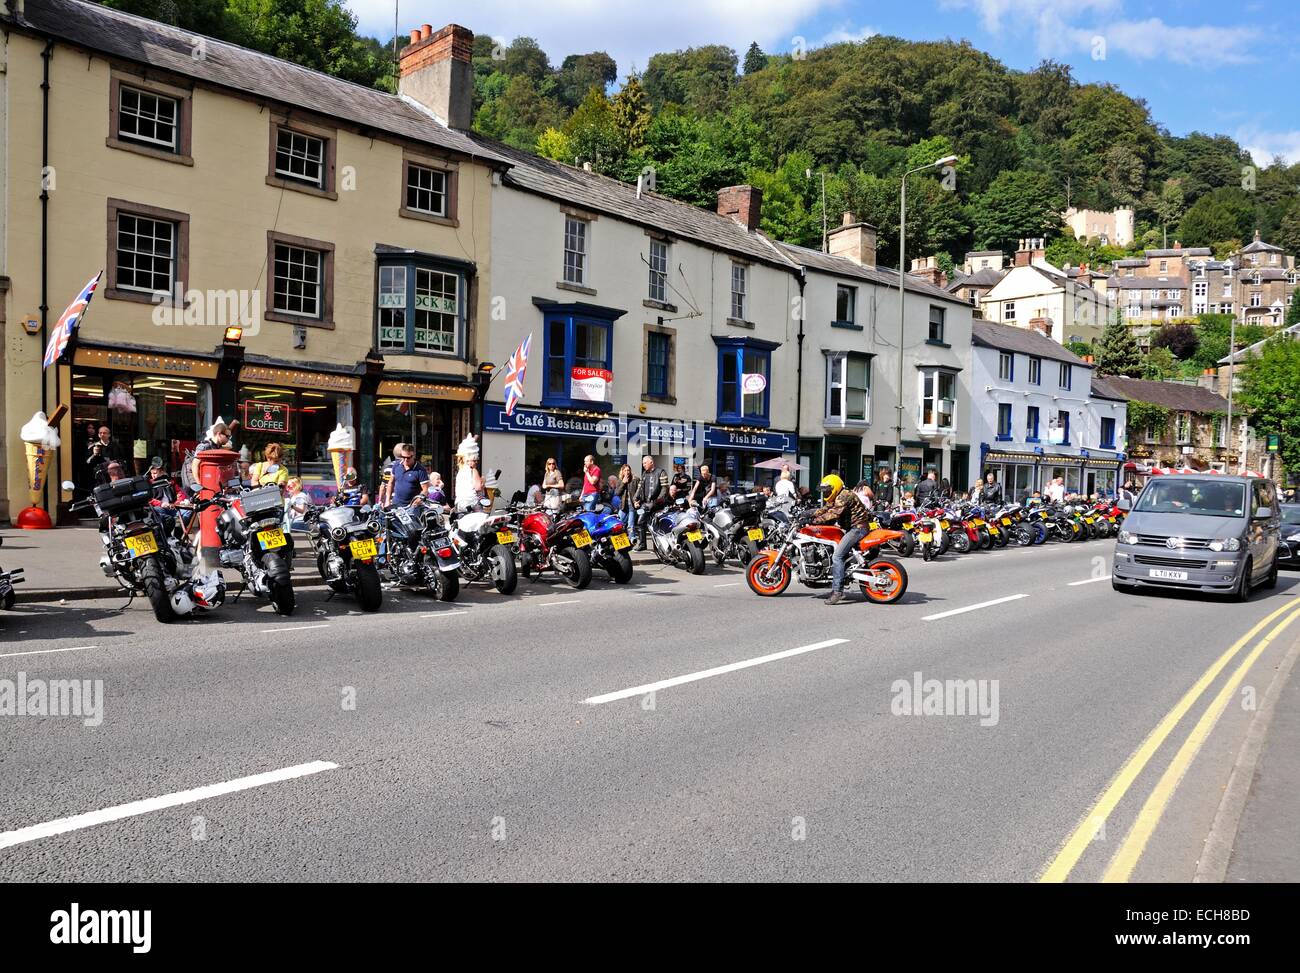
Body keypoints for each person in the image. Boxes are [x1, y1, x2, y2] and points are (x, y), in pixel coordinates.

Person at [811, 474, 873, 606]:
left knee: (837, 556)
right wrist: (810, 514)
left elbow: (834, 513)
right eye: (825, 491)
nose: (826, 493)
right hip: (852, 528)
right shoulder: (837, 495)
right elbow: (827, 507)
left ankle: (837, 591)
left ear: (835, 487)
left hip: (858, 528)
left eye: (828, 490)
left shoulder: (844, 496)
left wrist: (814, 521)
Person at [633, 455, 664, 550]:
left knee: (657, 525)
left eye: (645, 463)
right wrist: (635, 499)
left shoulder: (661, 472)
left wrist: (658, 500)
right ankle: (642, 544)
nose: (643, 465)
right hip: (645, 504)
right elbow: (639, 487)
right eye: (643, 463)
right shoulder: (644, 474)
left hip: (657, 504)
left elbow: (664, 488)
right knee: (640, 521)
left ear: (651, 462)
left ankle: (658, 546)